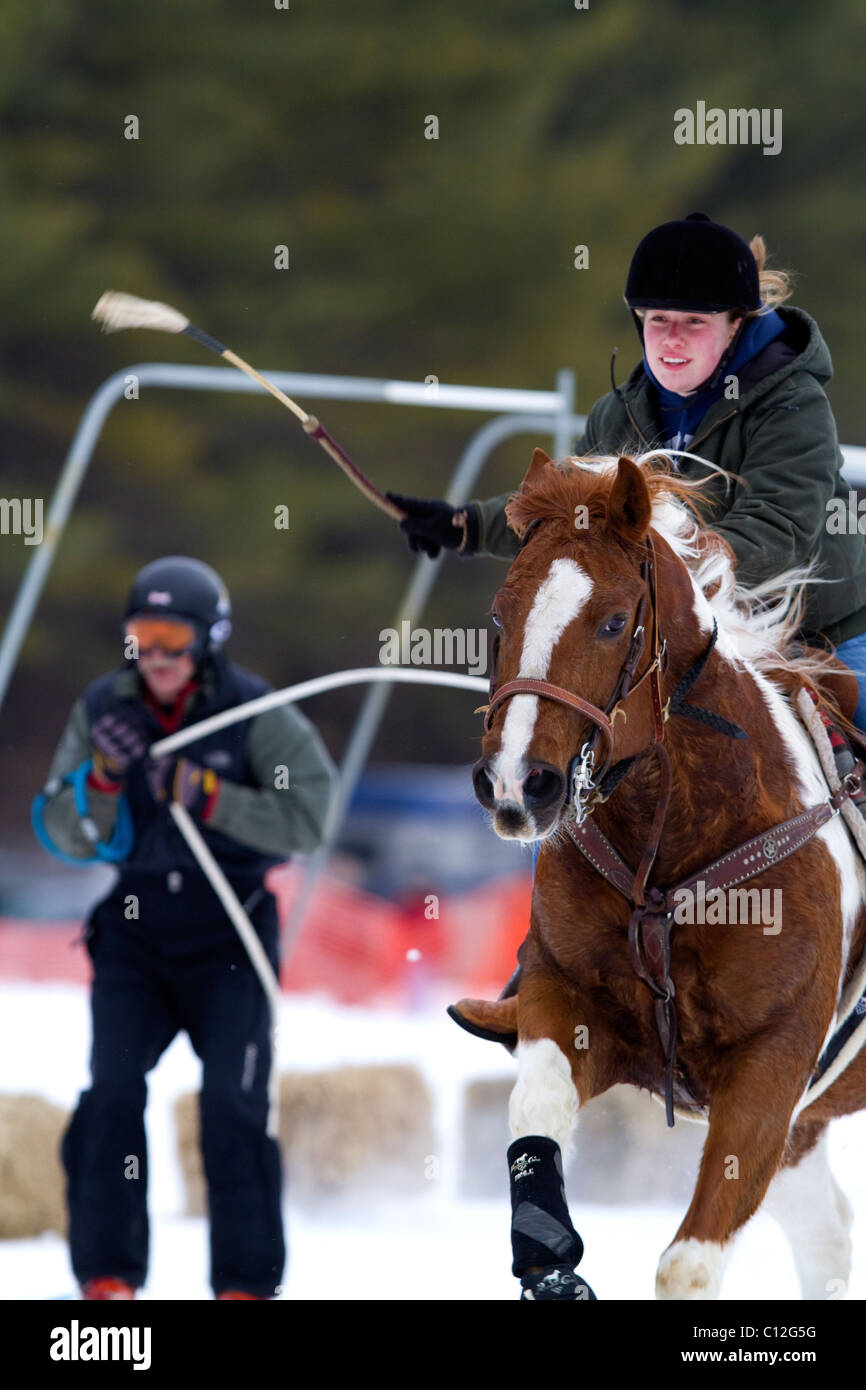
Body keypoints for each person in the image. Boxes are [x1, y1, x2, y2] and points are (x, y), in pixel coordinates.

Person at [387, 211, 866, 1031]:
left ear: (736, 327)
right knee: (575, 744)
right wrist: (467, 526)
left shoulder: (794, 407)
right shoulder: (620, 415)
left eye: (692, 324)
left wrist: (662, 579)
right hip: (685, 639)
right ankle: (547, 964)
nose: (670, 341)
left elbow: (778, 537)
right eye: (654, 323)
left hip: (815, 626)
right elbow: (572, 521)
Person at [32, 556, 337, 1299]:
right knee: (110, 1093)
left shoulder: (254, 713)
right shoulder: (104, 707)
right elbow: (66, 832)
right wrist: (102, 781)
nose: (156, 658)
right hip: (136, 936)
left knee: (232, 1105)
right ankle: (108, 1276)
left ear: (210, 639)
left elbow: (308, 816)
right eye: (142, 638)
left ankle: (243, 1284)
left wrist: (207, 795)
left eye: (173, 638)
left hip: (230, 936)